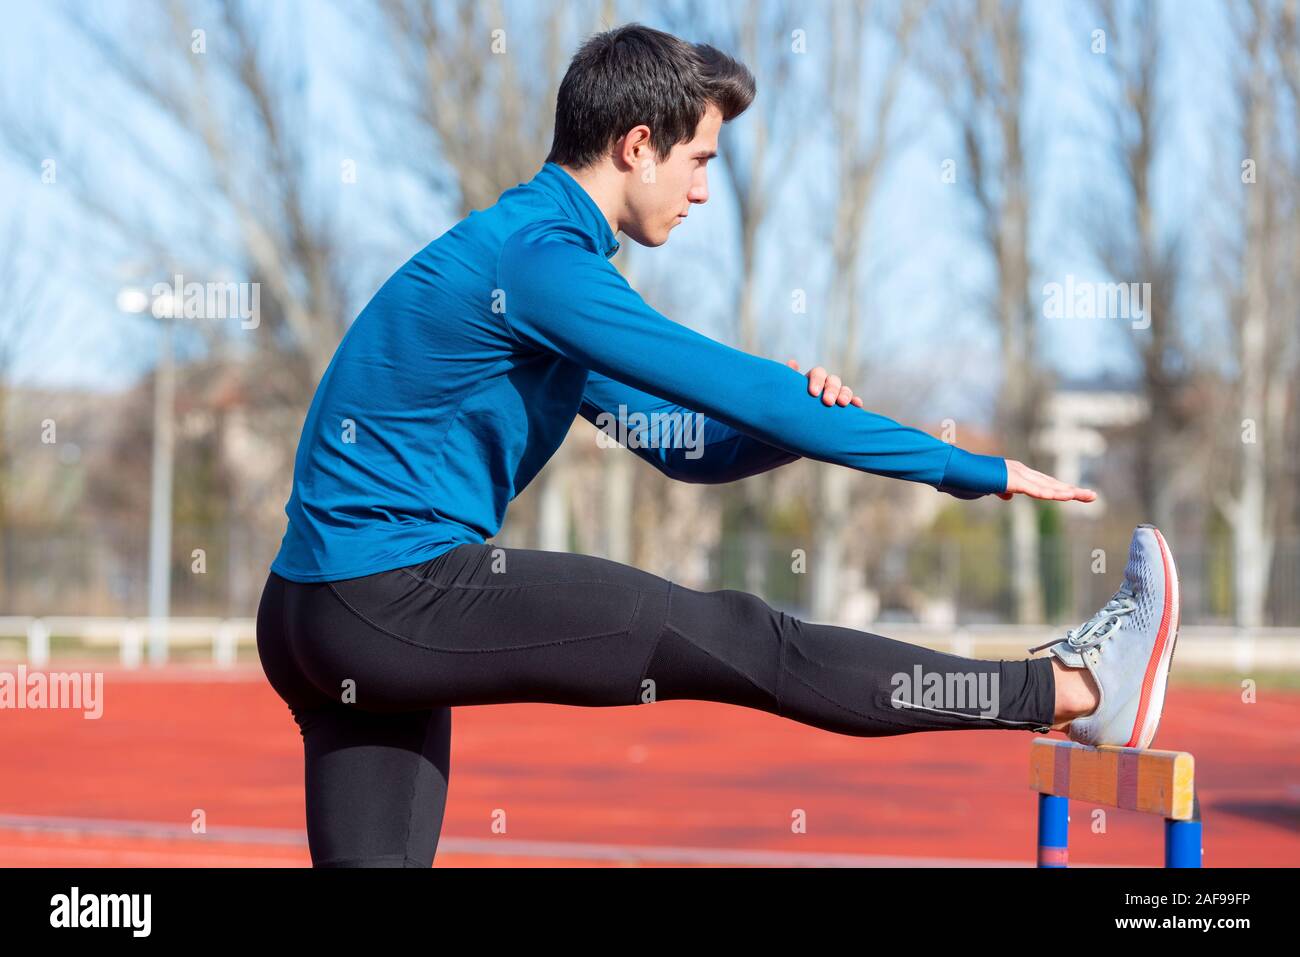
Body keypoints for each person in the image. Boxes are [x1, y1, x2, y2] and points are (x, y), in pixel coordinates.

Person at [255, 23, 1181, 868]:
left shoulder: (527, 264)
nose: (702, 189)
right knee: (747, 638)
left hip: (311, 614)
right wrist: (966, 466)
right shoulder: (543, 265)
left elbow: (684, 443)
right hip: (385, 593)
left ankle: (1071, 690)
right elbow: (729, 380)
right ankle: (1077, 690)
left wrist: (790, 435)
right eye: (697, 159)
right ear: (635, 147)